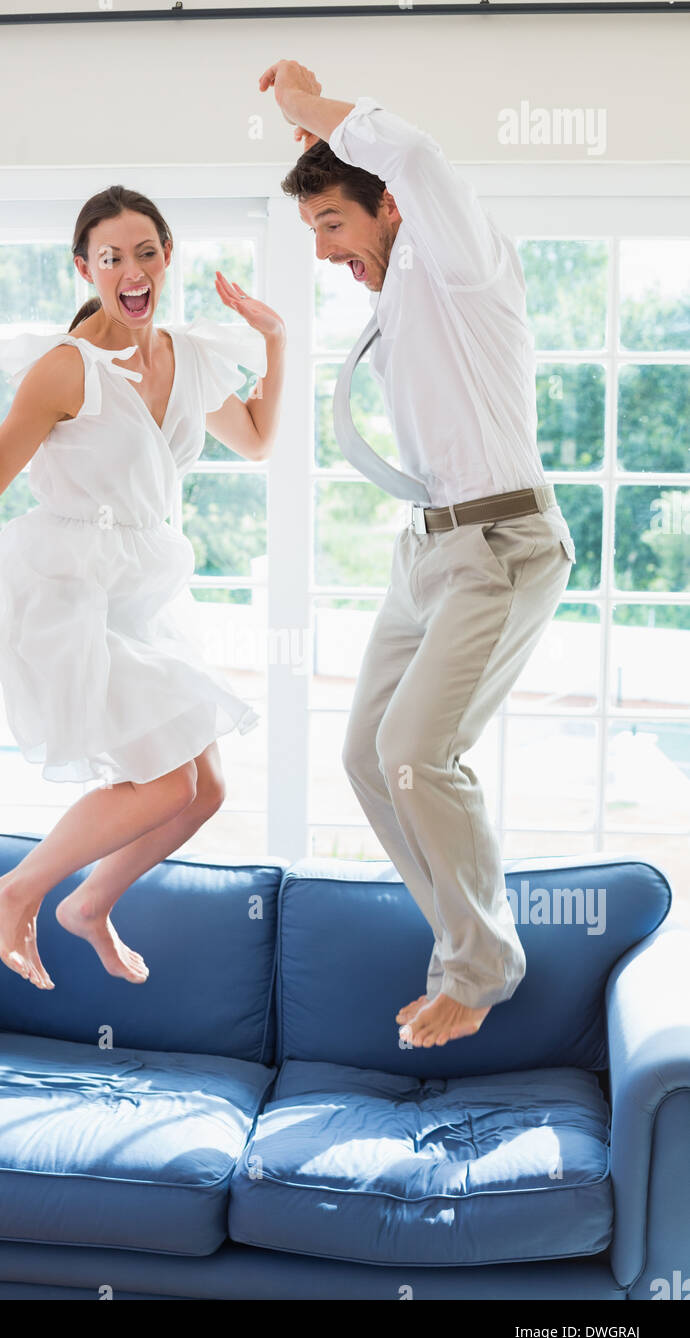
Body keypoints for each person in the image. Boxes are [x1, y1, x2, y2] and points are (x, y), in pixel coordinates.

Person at [261, 60, 575, 1049]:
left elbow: (417, 154)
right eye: (313, 233)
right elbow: (370, 182)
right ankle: (458, 944)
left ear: (389, 208)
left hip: (501, 542)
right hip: (427, 549)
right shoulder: (396, 292)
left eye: (332, 227)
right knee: (366, 755)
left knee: (413, 753)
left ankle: (481, 969)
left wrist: (312, 112)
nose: (322, 253)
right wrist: (319, 157)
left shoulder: (461, 264)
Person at [0, 185, 286, 991]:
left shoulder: (183, 356)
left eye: (145, 251)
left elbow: (256, 437)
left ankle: (89, 906)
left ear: (166, 257)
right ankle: (13, 890)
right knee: (167, 782)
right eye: (111, 257)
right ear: (84, 268)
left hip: (148, 588)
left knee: (206, 790)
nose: (131, 270)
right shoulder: (64, 370)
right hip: (71, 590)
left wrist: (277, 342)